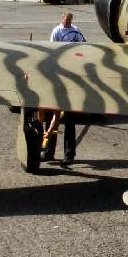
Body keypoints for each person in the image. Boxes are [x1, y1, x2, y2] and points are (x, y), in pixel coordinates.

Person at [43, 12, 85, 163]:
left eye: (69, 19)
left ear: (71, 20)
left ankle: (69, 154)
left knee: (69, 118)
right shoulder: (56, 31)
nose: (67, 21)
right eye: (65, 19)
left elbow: (82, 47)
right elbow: (52, 50)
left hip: (71, 79)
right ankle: (48, 152)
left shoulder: (76, 31)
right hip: (58, 76)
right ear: (62, 19)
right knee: (50, 116)